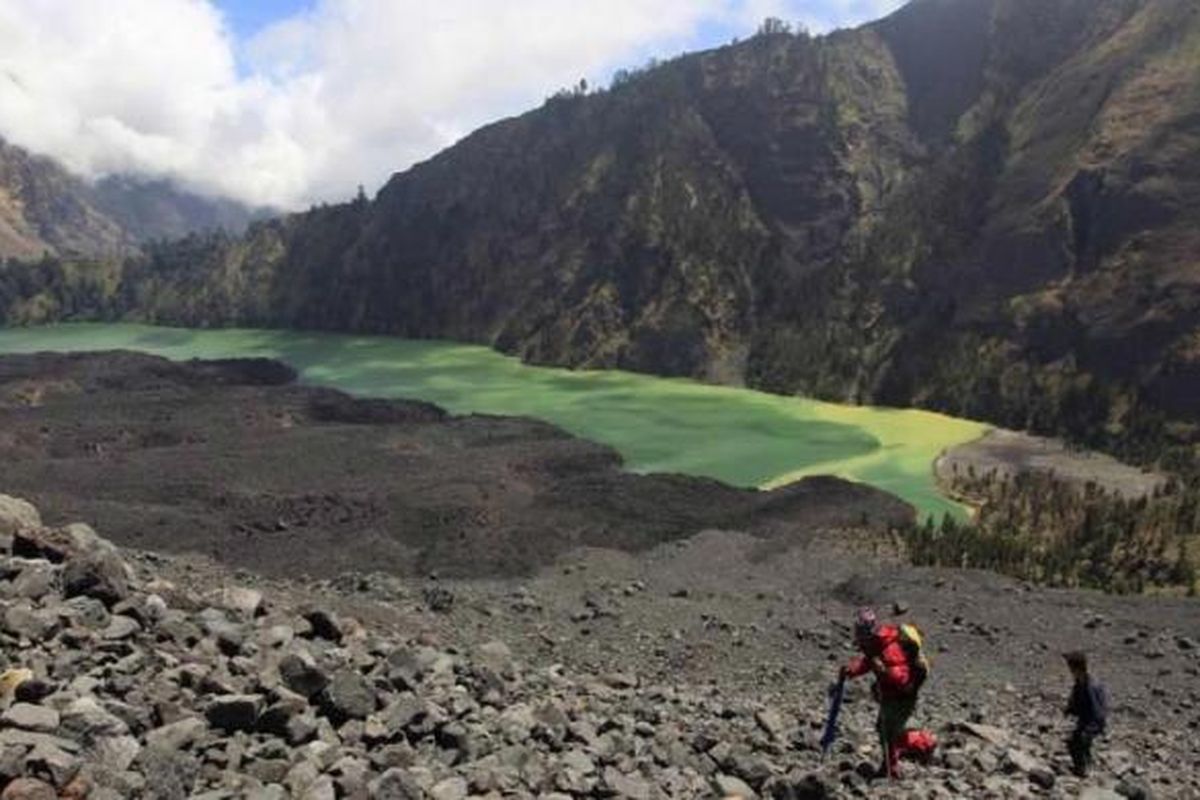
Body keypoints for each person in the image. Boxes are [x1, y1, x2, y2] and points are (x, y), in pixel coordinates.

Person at [839, 607, 936, 778]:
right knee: (885, 730)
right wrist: (851, 671)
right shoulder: (874, 644)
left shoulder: (890, 649)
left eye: (859, 631)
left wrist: (884, 672)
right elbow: (868, 662)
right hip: (889, 695)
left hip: (903, 697)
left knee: (889, 733)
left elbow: (902, 678)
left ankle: (923, 743)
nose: (858, 636)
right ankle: (892, 764)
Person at [1063, 651, 1107, 777]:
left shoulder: (1092, 686)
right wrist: (1069, 710)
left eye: (1071, 668)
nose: (1070, 672)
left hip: (1092, 723)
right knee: (1077, 743)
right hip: (1084, 720)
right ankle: (1083, 768)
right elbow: (1075, 701)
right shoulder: (1079, 683)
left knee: (1078, 742)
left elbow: (1098, 711)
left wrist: (1092, 728)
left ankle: (1084, 770)